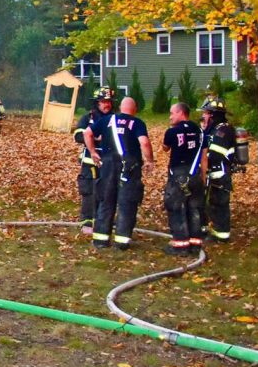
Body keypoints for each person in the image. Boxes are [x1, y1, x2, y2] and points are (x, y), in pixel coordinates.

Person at [86, 96, 153, 250]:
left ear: (121, 108)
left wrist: (93, 152)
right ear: (134, 110)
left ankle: (100, 240)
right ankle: (121, 242)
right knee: (127, 202)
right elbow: (144, 142)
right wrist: (150, 160)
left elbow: (87, 133)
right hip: (129, 167)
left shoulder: (107, 120)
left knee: (106, 200)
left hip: (107, 165)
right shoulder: (137, 123)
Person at [162, 102, 205, 255]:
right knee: (194, 208)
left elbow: (165, 148)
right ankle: (195, 243)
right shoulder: (199, 131)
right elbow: (204, 155)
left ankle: (180, 245)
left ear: (181, 113)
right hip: (195, 173)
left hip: (178, 175)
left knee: (176, 208)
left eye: (172, 113)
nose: (170, 117)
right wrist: (203, 177)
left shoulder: (172, 132)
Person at [73, 87, 114, 235]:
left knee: (107, 192)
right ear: (97, 103)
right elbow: (78, 135)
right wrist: (94, 137)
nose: (107, 104)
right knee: (89, 192)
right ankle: (87, 221)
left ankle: (103, 220)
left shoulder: (115, 119)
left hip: (109, 162)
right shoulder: (88, 118)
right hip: (90, 163)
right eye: (103, 102)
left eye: (109, 102)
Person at [200, 96, 237, 242]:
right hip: (214, 174)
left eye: (206, 113)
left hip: (220, 174)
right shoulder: (214, 128)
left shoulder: (223, 130)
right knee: (213, 203)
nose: (203, 116)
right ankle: (211, 229)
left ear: (213, 115)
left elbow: (215, 154)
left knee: (220, 204)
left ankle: (222, 235)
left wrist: (203, 162)